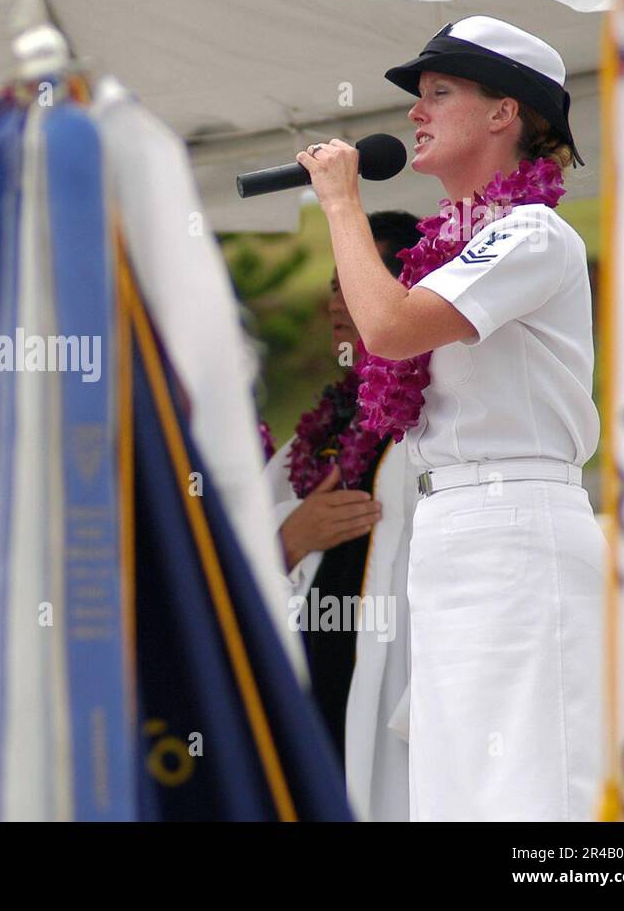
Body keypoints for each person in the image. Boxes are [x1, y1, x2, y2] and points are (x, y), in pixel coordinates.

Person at [296, 16, 602, 821]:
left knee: (530, 787)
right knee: (455, 786)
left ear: (505, 114)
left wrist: (341, 206)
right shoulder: (457, 244)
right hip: (456, 525)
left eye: (438, 93)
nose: (414, 114)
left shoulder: (531, 232)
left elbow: (389, 329)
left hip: (516, 523)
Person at [263, 210, 421, 822]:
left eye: (357, 280)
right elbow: (236, 567)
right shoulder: (312, 438)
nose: (337, 301)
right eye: (333, 284)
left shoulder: (435, 428)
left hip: (395, 701)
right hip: (310, 701)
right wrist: (288, 542)